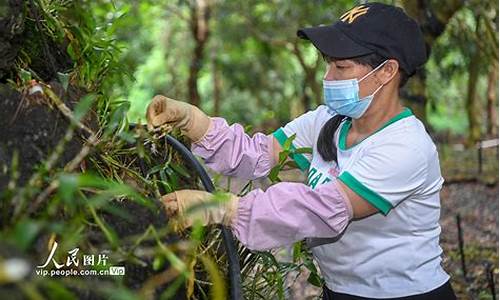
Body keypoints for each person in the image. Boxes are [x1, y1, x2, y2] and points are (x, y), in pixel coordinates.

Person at [145, 3, 457, 299]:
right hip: (341, 291)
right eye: (328, 65)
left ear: (387, 71)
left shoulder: (405, 147)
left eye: (341, 66)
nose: (328, 77)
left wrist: (221, 209)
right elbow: (258, 154)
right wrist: (193, 121)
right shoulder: (326, 122)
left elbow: (321, 209)